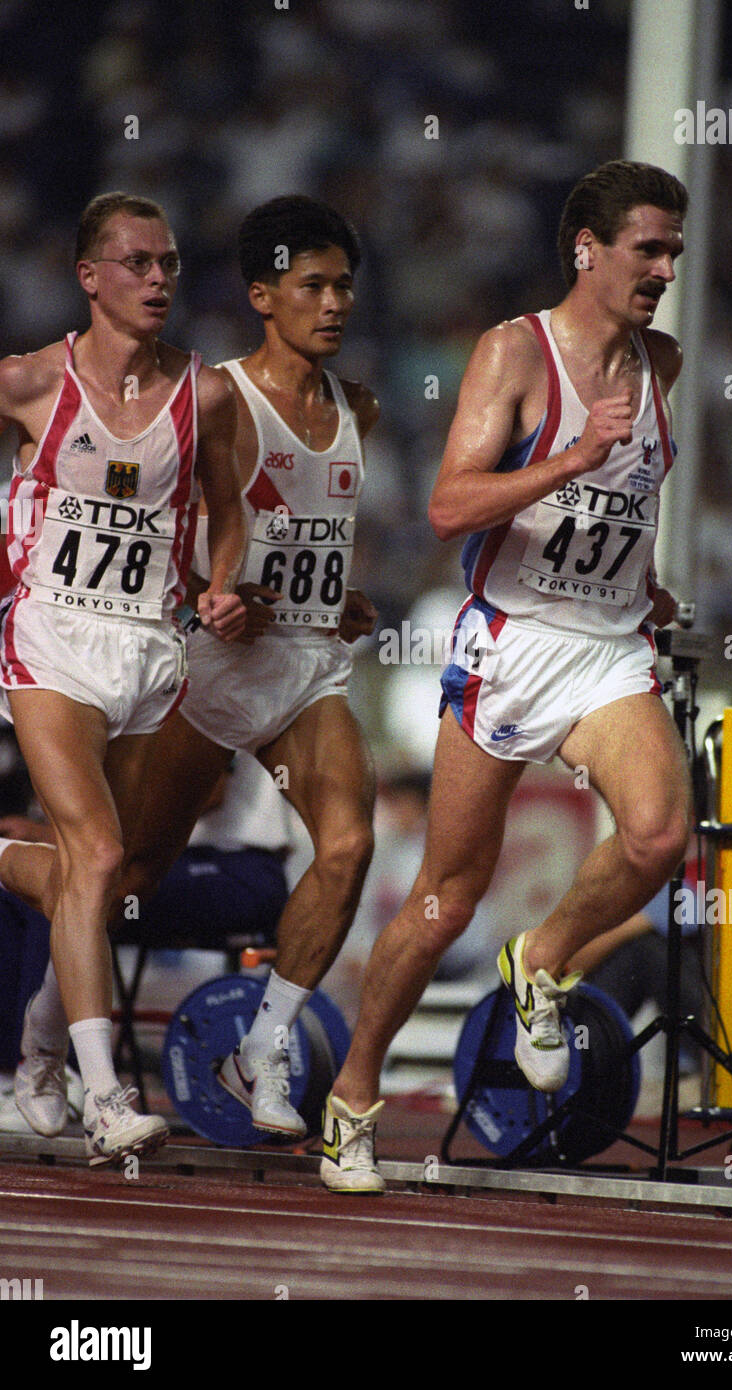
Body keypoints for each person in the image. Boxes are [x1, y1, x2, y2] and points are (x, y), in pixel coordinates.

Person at [319, 160, 694, 1193]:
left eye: (672, 249)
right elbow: (448, 508)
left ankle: (539, 961)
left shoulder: (660, 362)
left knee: (660, 835)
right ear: (586, 247)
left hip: (606, 642)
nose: (664, 267)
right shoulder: (513, 352)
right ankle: (352, 1097)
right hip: (509, 640)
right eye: (646, 248)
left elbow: (633, 496)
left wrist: (644, 578)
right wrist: (569, 458)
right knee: (445, 895)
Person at [3, 195, 379, 1144]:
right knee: (120, 871)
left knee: (348, 846)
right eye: (314, 285)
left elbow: (275, 530)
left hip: (284, 664)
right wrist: (223, 592)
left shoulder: (348, 407)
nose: (335, 303)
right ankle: (47, 1053)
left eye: (345, 286)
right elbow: (222, 522)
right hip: (193, 667)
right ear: (263, 295)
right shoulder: (218, 392)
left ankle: (266, 1044)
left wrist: (330, 597)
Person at [0, 191, 247, 1165]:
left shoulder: (207, 393)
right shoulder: (28, 381)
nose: (158, 280)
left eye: (170, 263)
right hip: (50, 636)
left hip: (150, 645)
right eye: (137, 263)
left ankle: (37, 1052)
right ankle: (108, 1099)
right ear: (88, 276)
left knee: (110, 871)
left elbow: (228, 507)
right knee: (96, 855)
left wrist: (225, 579)